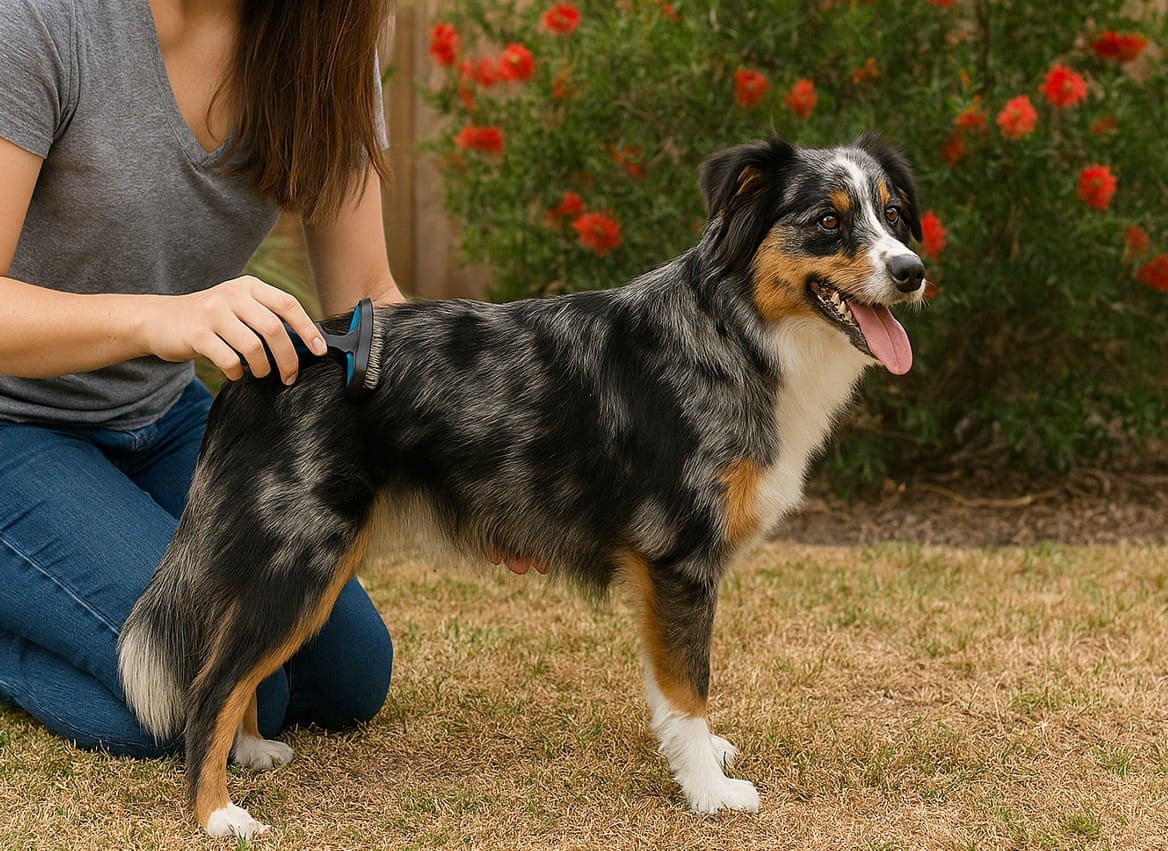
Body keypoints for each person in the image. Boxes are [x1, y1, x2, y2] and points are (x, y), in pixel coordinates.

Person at [0, 0, 402, 756]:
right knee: (192, 687)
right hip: (10, 426)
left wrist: (480, 449)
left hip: (157, 413)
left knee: (347, 674)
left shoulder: (321, 33)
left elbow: (369, 298)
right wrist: (160, 319)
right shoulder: (42, 19)